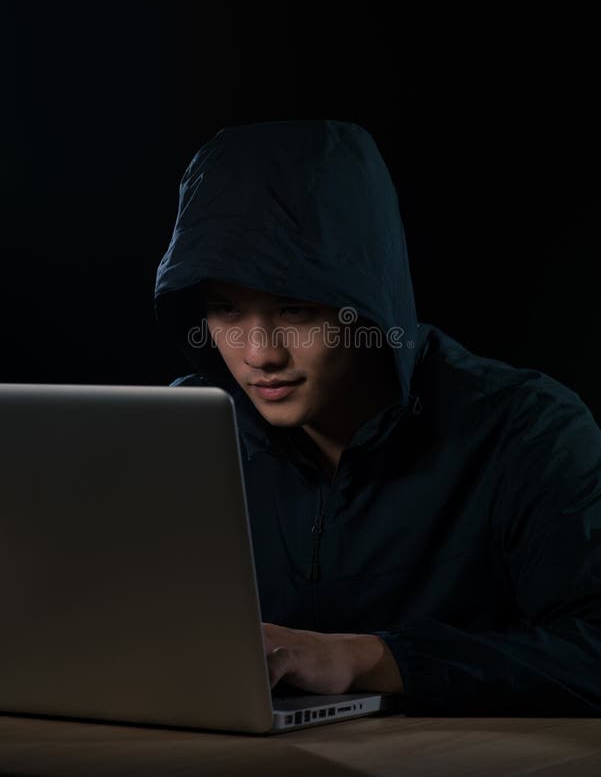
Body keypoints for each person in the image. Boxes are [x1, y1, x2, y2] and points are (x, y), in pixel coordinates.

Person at [154, 119, 601, 716]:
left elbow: (593, 648)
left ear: (367, 303)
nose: (260, 352)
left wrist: (373, 660)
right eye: (226, 310)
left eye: (298, 308)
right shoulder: (189, 430)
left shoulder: (529, 432)